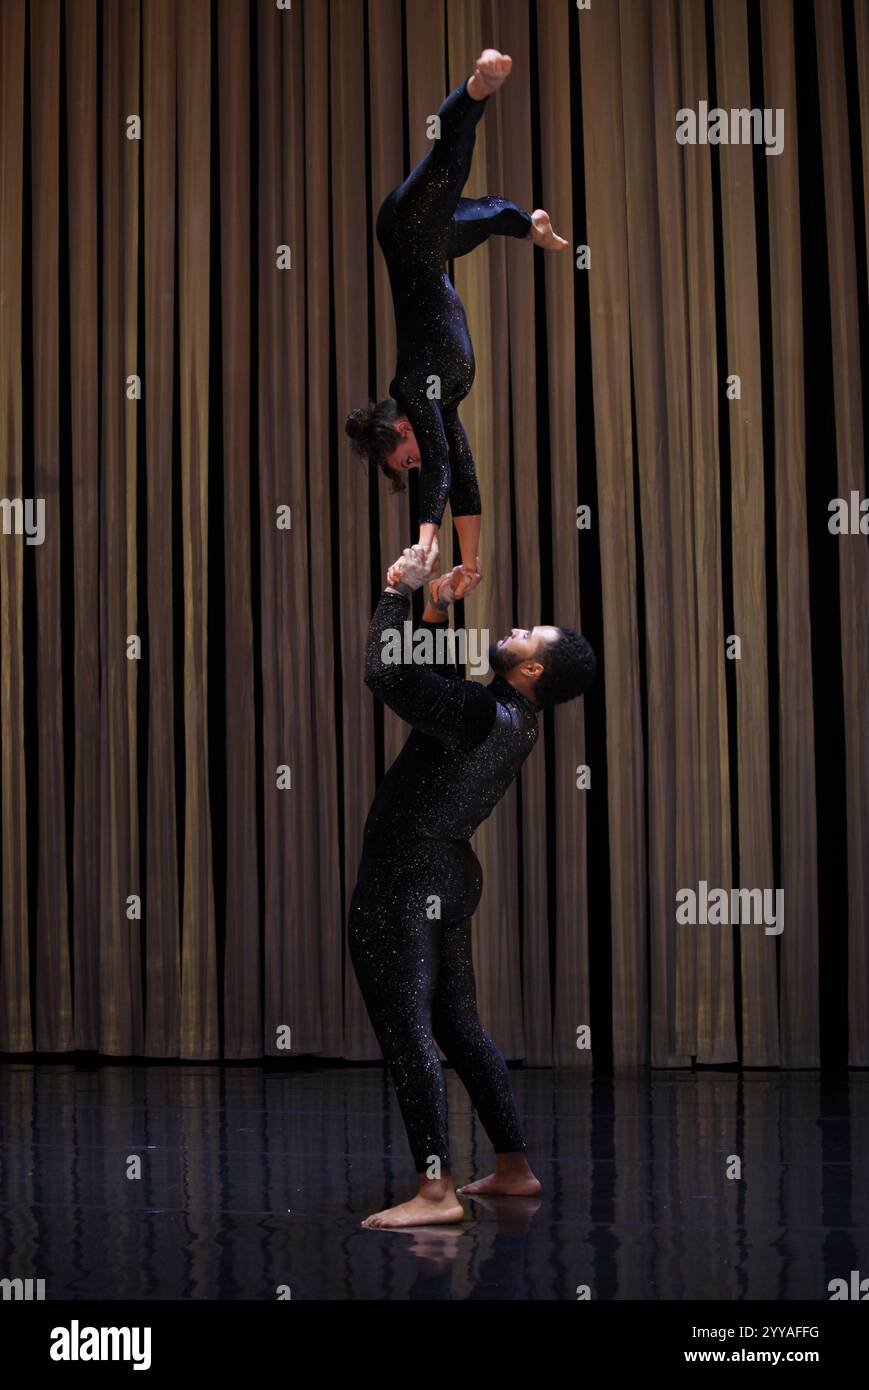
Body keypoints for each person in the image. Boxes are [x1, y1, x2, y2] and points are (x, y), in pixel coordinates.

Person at [349, 541, 596, 1228]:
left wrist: (398, 592)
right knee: (457, 1025)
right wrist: (435, 606)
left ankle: (435, 1193)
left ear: (532, 668)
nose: (510, 631)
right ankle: (513, 1169)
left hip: (406, 873)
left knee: (407, 1031)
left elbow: (387, 675)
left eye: (523, 636)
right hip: (450, 873)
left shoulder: (482, 713)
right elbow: (436, 690)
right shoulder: (513, 718)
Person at [344, 49, 568, 600]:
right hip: (435, 243)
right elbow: (461, 474)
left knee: (449, 161)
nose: (419, 460)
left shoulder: (416, 388)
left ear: (400, 428)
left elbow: (438, 463)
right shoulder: (441, 406)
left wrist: (425, 542)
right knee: (493, 214)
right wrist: (471, 563)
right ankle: (528, 223)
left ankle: (476, 87)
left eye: (407, 457)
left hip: (405, 232)